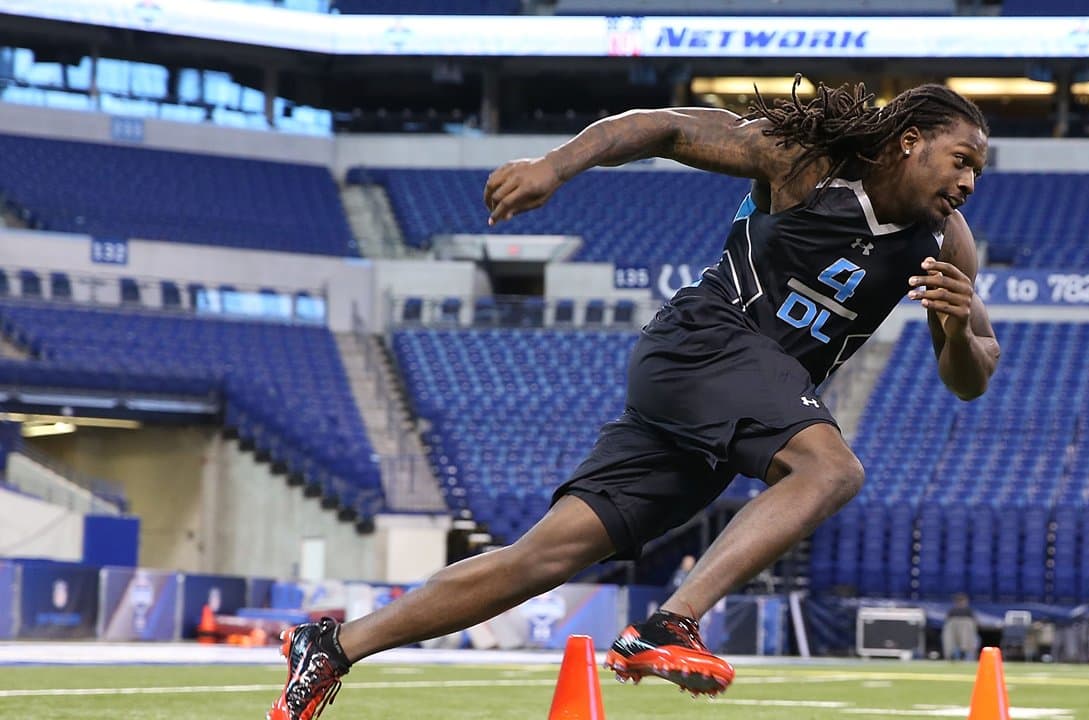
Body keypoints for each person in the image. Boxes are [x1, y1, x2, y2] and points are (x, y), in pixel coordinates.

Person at [266, 78, 1001, 720]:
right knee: (831, 470)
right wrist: (554, 166)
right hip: (703, 344)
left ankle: (334, 644)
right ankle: (671, 622)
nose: (969, 181)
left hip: (735, 401)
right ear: (909, 141)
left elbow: (972, 375)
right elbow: (662, 126)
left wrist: (953, 328)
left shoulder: (948, 245)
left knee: (542, 558)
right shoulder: (804, 161)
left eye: (979, 170)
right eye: (961, 160)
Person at [942, 593, 979, 661]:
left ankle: (964, 654)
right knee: (951, 641)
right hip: (953, 631)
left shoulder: (968, 611)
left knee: (968, 641)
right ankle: (953, 655)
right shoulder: (952, 611)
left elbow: (975, 623)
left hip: (966, 633)